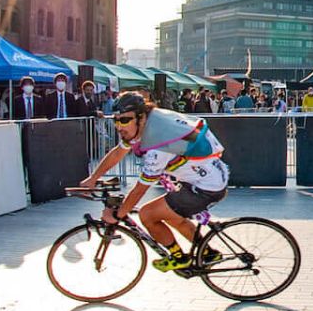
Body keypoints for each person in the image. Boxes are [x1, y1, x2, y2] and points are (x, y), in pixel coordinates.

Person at [77, 91, 229, 272]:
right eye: (116, 120)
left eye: (124, 120)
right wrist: (93, 178)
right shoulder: (146, 125)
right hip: (203, 178)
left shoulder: (158, 145)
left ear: (140, 117)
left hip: (206, 187)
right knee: (172, 215)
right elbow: (119, 151)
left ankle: (179, 258)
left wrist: (117, 216)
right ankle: (208, 254)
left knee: (148, 214)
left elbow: (140, 189)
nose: (119, 126)